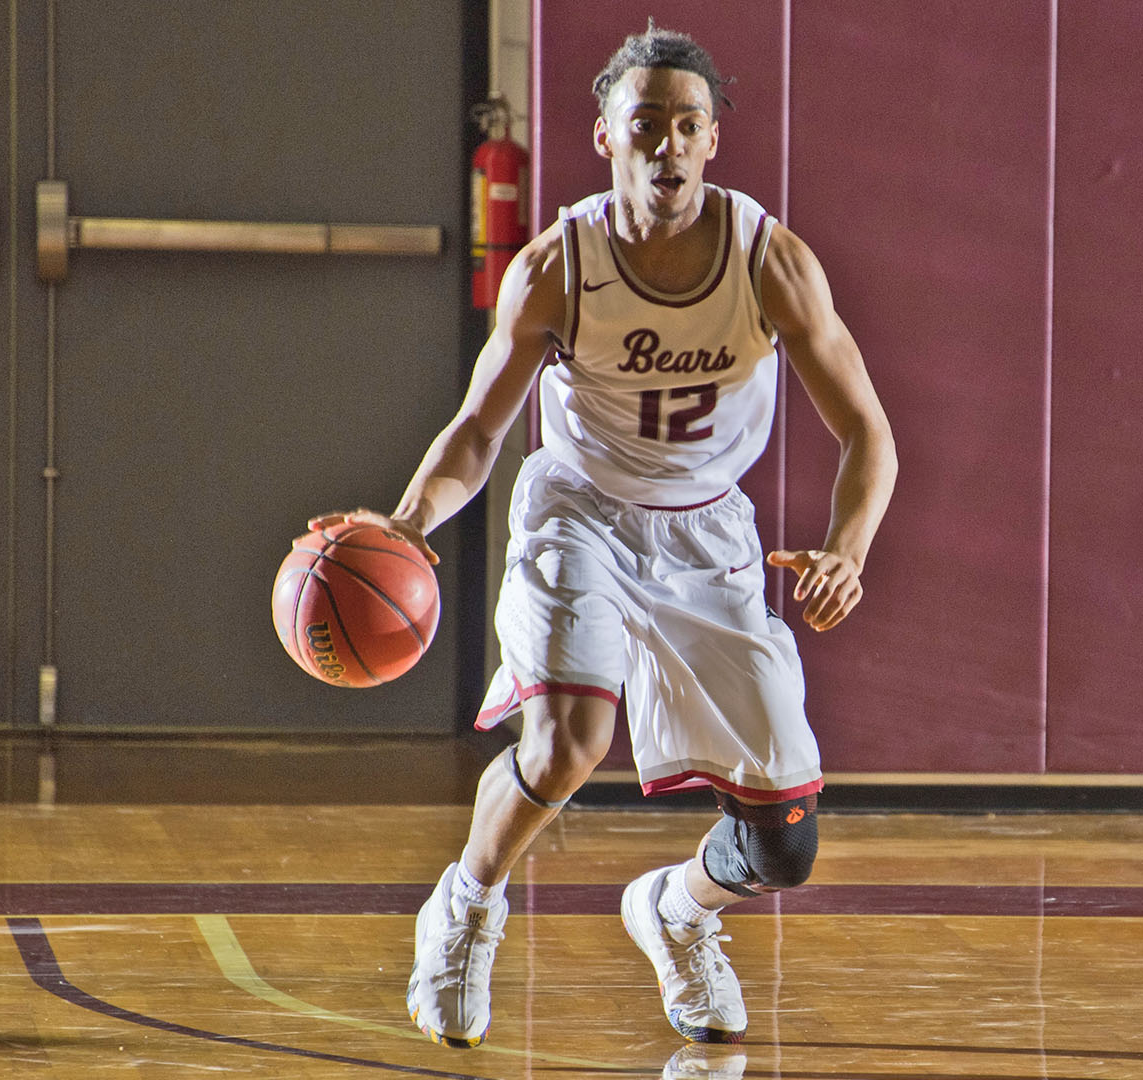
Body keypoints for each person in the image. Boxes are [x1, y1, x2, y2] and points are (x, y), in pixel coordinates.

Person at [311, 24, 895, 1051]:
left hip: (707, 530)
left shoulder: (772, 263)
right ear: (604, 138)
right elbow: (480, 429)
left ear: (713, 140)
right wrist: (404, 523)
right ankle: (465, 907)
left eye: (688, 125)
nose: (668, 145)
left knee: (786, 845)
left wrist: (848, 546)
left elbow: (869, 434)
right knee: (571, 740)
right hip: (578, 510)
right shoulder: (557, 266)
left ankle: (676, 911)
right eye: (647, 125)